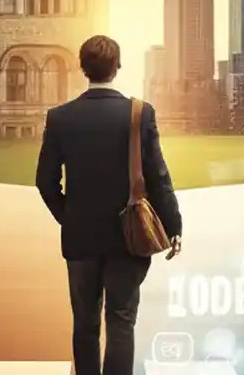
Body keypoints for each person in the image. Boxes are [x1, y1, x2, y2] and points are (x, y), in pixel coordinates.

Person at [36, 35, 183, 375]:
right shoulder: (140, 113)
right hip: (128, 238)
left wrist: (68, 217)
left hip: (80, 239)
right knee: (121, 321)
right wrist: (173, 225)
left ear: (82, 68)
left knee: (85, 324)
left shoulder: (60, 117)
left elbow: (45, 181)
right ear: (118, 66)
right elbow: (158, 176)